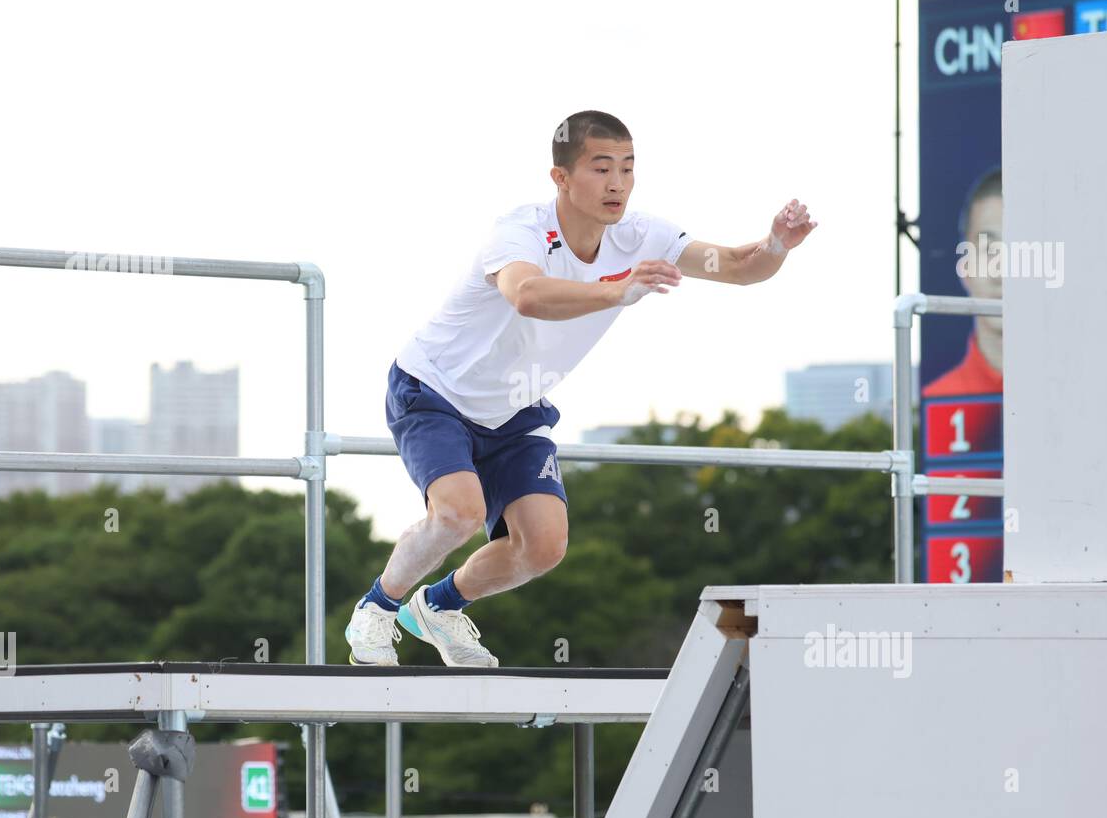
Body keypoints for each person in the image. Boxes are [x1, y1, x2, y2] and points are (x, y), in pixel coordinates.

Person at [346, 110, 818, 666]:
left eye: (627, 167)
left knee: (544, 546)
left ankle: (438, 608)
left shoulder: (643, 235)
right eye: (600, 169)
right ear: (561, 178)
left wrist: (778, 244)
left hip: (516, 408)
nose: (617, 182)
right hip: (435, 390)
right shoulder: (519, 231)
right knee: (460, 513)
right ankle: (376, 610)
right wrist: (616, 289)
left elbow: (739, 266)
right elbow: (527, 295)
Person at [923, 168, 1002, 397]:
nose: (1000, 272)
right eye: (989, 249)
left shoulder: (1072, 391)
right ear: (964, 266)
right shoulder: (940, 398)